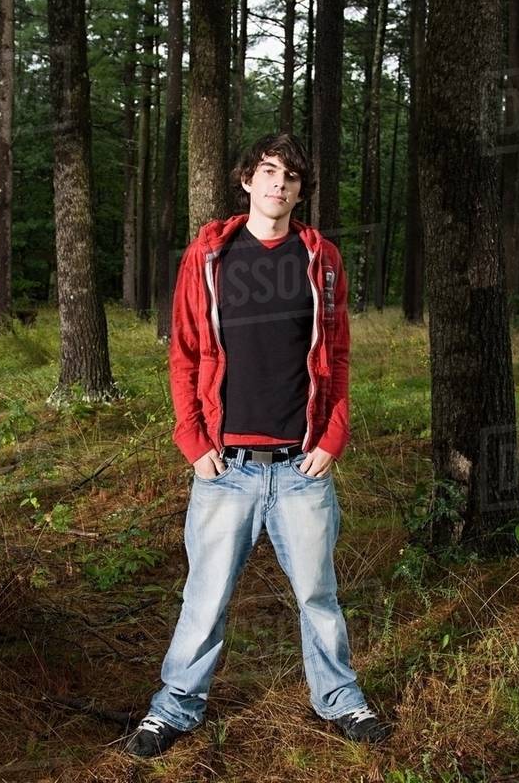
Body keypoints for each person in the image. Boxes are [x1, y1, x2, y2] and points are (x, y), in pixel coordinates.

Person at [123, 133, 393, 758]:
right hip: (227, 467)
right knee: (205, 597)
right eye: (268, 171)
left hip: (302, 466)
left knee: (318, 596)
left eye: (291, 176)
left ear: (301, 191)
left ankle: (340, 699)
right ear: (247, 180)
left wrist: (334, 436)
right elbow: (185, 352)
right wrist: (192, 441)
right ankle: (173, 708)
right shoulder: (210, 256)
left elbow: (337, 355)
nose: (279, 184)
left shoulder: (321, 258)